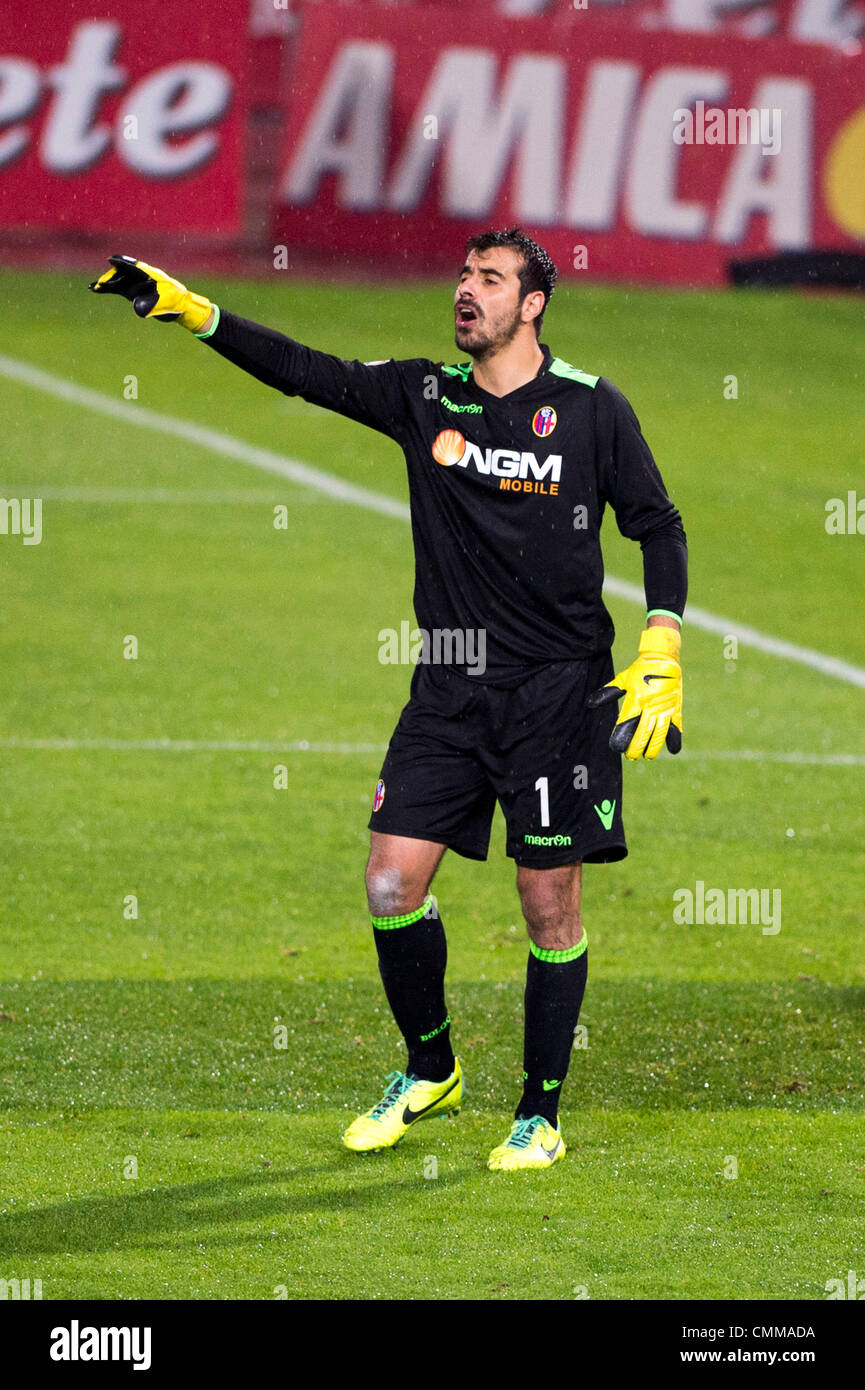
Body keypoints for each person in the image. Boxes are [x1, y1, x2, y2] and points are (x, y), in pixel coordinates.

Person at [90, 230, 687, 1171]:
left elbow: (656, 522)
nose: (466, 291)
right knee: (388, 882)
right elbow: (305, 372)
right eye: (463, 275)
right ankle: (431, 1069)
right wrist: (193, 312)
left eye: (490, 280)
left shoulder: (587, 409)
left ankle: (539, 1112)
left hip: (557, 695)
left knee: (547, 908)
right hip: (448, 687)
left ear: (532, 304)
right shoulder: (424, 395)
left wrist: (661, 640)